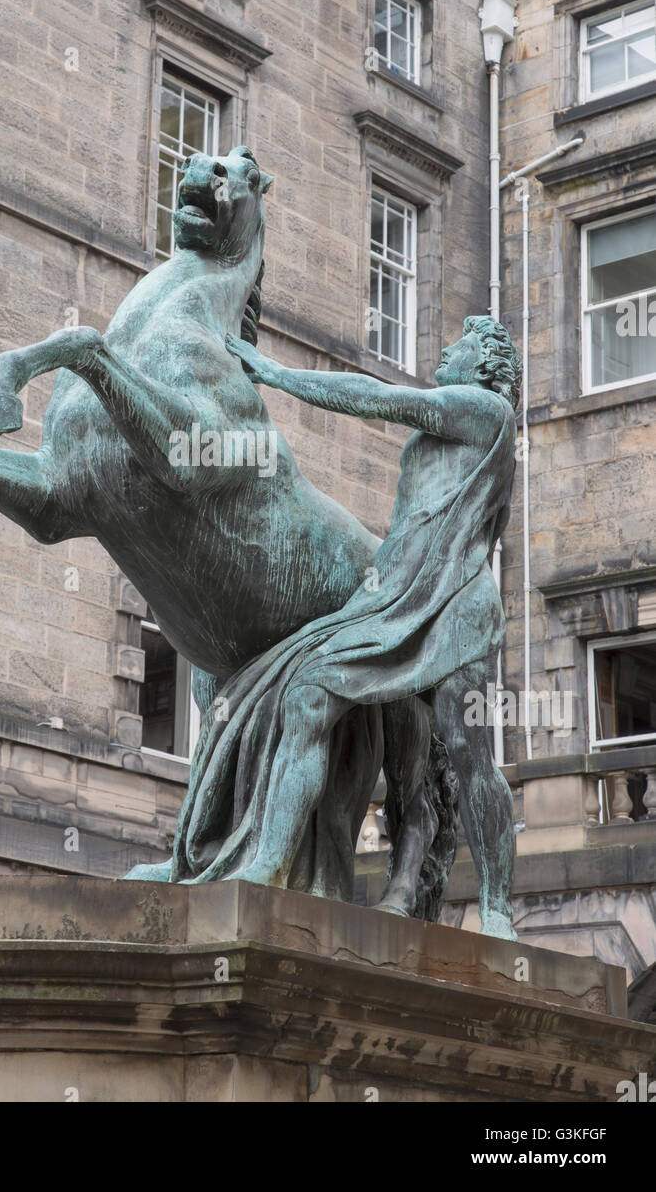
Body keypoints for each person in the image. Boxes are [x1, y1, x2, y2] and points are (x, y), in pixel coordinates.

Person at [207, 315, 522, 939]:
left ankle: (495, 908)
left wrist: (273, 373)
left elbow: (378, 398)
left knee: (470, 758)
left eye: (457, 346)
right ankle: (270, 861)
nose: (444, 353)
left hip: (457, 605)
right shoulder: (456, 424)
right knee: (306, 692)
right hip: (396, 600)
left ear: (484, 366)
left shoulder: (486, 410)